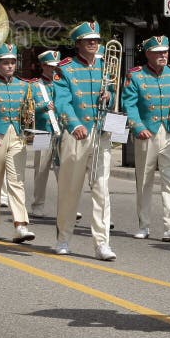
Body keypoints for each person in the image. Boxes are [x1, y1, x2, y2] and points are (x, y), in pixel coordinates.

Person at [53, 22, 117, 260]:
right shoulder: (65, 68)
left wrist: (109, 96)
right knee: (70, 189)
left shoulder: (105, 66)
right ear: (78, 43)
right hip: (77, 135)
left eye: (96, 40)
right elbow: (61, 101)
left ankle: (102, 243)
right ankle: (63, 238)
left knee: (102, 190)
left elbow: (113, 97)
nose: (93, 43)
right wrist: (74, 124)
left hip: (101, 134)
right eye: (88, 40)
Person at [121, 35, 170, 242]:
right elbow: (129, 105)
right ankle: (144, 225)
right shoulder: (136, 75)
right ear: (148, 54)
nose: (163, 55)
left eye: (165, 52)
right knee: (144, 180)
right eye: (158, 52)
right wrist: (138, 127)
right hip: (147, 133)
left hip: (169, 131)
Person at [0, 42, 44, 242]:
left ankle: (21, 225)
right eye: (5, 63)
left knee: (17, 180)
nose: (9, 66)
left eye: (12, 62)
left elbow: (34, 106)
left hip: (17, 136)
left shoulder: (24, 85)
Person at [30, 50, 61, 218]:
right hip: (42, 132)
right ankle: (37, 205)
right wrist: (43, 106)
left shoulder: (62, 84)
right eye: (50, 66)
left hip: (61, 132)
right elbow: (28, 109)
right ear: (43, 66)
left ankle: (66, 205)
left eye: (56, 67)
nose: (53, 70)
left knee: (63, 171)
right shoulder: (35, 85)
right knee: (40, 170)